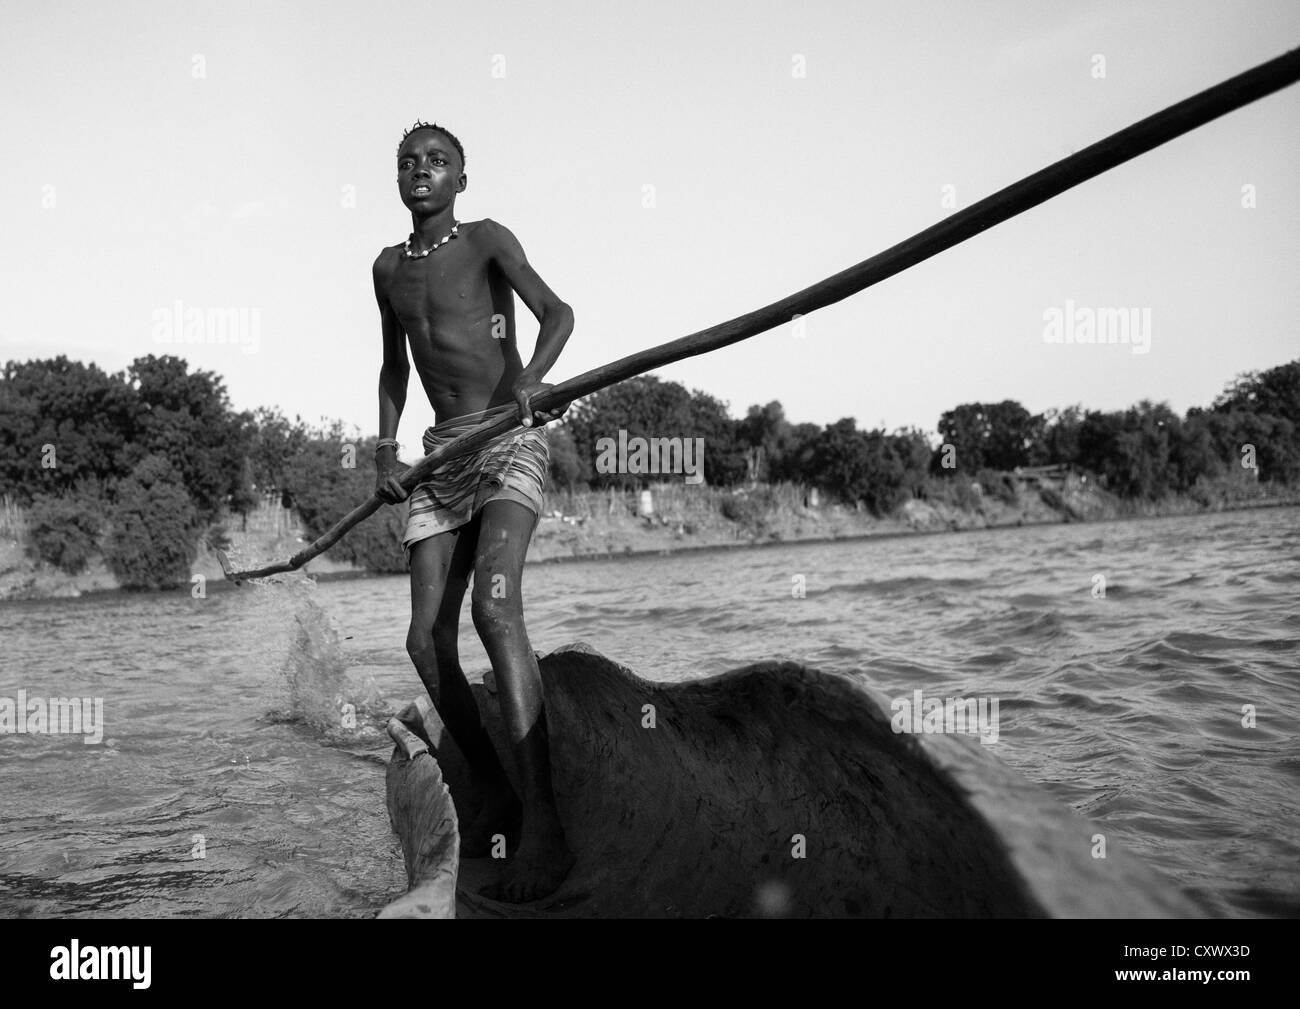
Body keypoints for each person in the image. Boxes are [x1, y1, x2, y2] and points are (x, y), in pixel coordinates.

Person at [372, 121, 575, 902]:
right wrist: (386, 450)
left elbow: (557, 314)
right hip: (440, 458)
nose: (420, 172)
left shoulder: (488, 239)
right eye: (407, 164)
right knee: (425, 639)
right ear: (398, 182)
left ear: (461, 178)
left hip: (505, 440)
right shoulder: (389, 269)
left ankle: (547, 823)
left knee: (495, 607)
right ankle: (490, 785)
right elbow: (394, 364)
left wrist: (535, 381)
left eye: (437, 163)